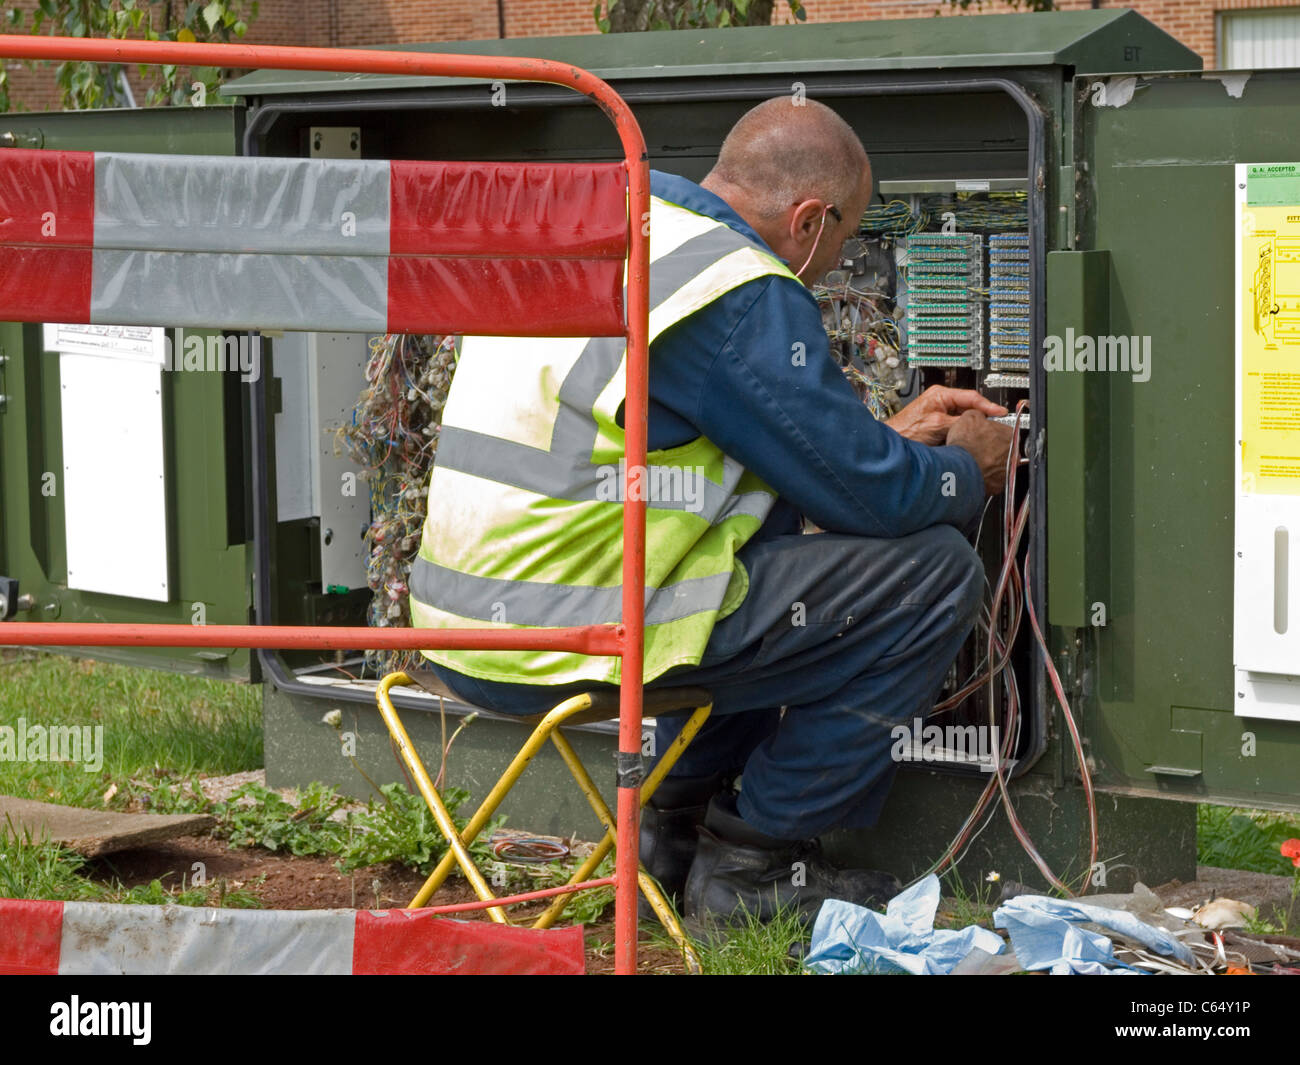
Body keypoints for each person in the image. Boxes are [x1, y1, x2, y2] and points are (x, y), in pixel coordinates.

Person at [409, 96, 1015, 924]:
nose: (838, 266)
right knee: (935, 578)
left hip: (462, 630)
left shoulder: (615, 228)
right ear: (809, 219)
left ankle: (675, 834)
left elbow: (717, 446)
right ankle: (753, 866)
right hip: (574, 639)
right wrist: (964, 467)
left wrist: (876, 443)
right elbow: (873, 497)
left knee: (750, 561)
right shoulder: (735, 290)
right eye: (843, 240)